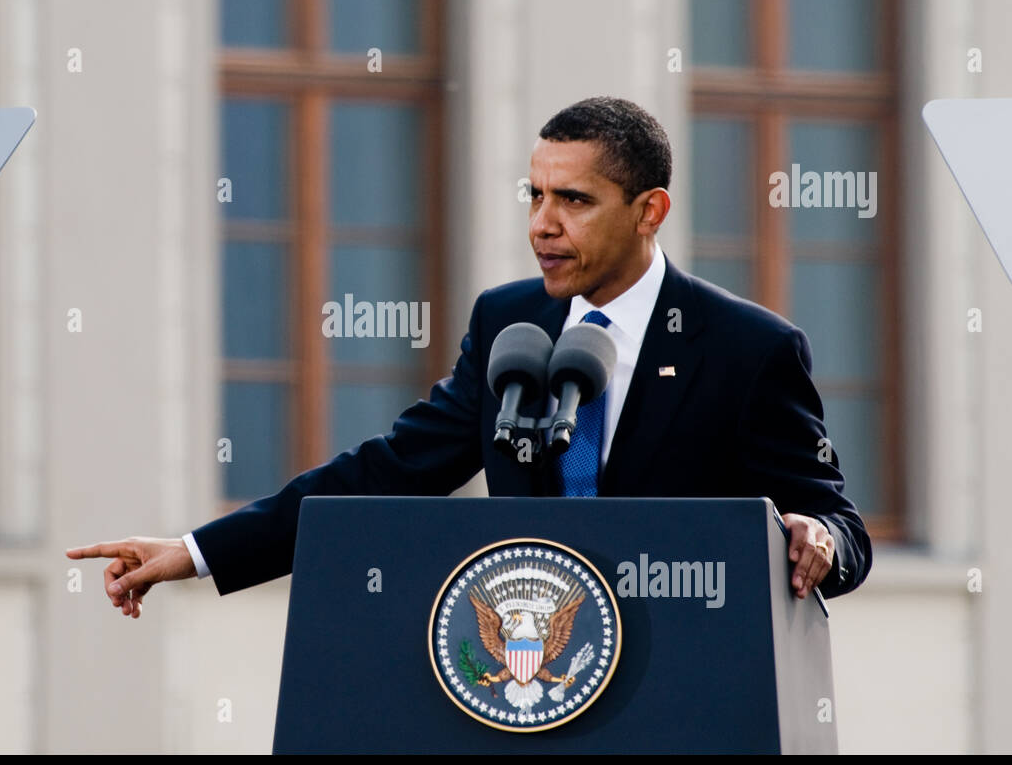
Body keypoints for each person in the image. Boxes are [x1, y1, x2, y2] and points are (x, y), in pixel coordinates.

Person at [67, 96, 871, 617]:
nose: (542, 224)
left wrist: (819, 539)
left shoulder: (747, 349)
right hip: (527, 686)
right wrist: (196, 551)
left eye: (574, 200)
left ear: (649, 210)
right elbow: (387, 471)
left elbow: (842, 527)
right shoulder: (507, 324)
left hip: (684, 695)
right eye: (535, 195)